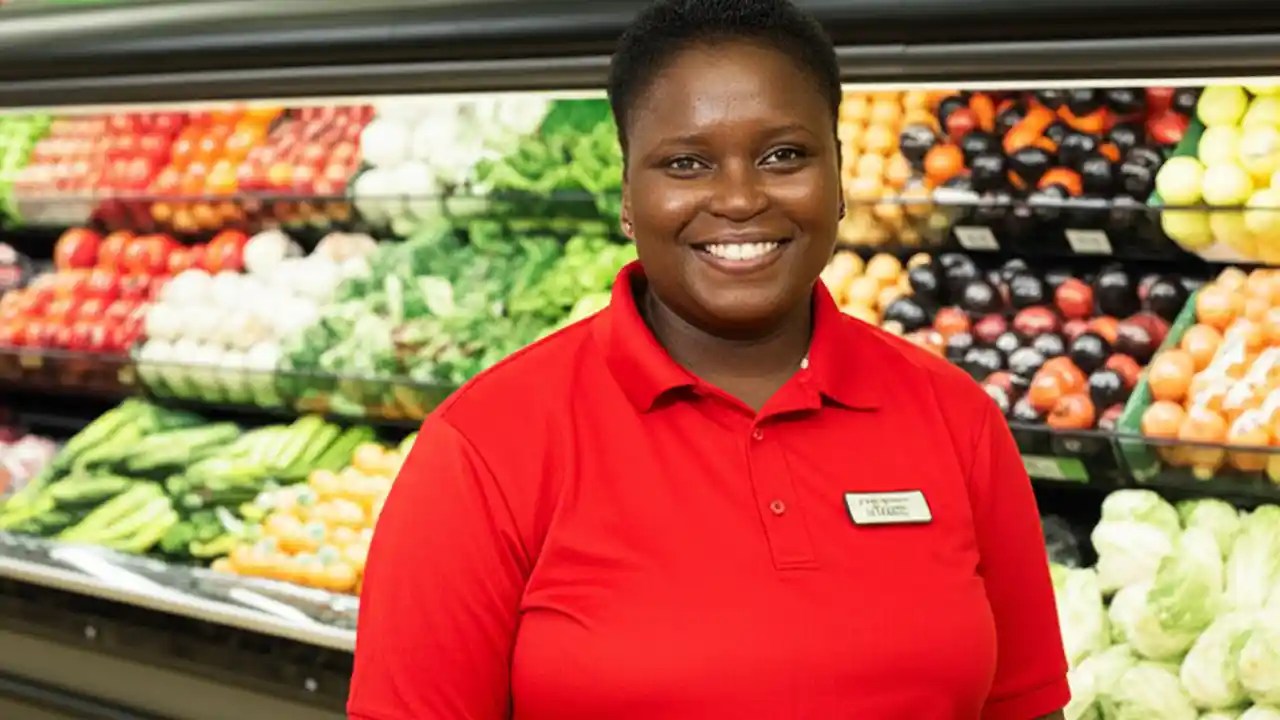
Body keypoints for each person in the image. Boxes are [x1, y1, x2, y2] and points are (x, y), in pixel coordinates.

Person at [348, 0, 1070, 718]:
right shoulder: (483, 451)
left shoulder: (956, 419)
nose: (739, 198)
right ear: (629, 195)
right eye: (686, 163)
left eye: (783, 156)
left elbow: (1026, 708)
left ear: (841, 176)